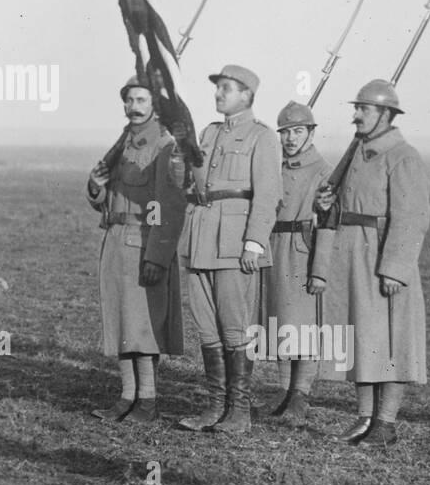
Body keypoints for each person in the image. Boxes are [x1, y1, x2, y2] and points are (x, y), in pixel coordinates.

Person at [311, 80, 430, 447]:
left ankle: (386, 423)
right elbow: (344, 206)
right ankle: (364, 418)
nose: (356, 115)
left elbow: (412, 217)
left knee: (392, 340)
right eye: (357, 108)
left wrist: (394, 269)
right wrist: (326, 204)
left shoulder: (403, 156)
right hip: (352, 256)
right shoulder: (358, 152)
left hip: (382, 258)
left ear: (386, 114)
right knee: (361, 337)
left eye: (364, 109)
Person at [177, 64, 281, 435]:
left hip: (236, 244)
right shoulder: (207, 133)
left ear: (246, 96)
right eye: (218, 87)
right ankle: (214, 407)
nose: (218, 93)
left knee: (235, 328)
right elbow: (192, 186)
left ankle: (239, 412)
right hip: (201, 238)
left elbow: (268, 195)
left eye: (226, 88)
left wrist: (254, 243)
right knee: (207, 328)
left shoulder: (262, 137)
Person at [85, 76, 186, 422]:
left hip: (142, 244)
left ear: (155, 106)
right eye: (129, 100)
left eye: (142, 100)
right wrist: (95, 187)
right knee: (122, 325)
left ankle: (148, 401)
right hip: (115, 241)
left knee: (143, 328)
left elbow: (167, 207)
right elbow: (108, 200)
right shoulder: (126, 145)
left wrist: (156, 255)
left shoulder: (165, 146)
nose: (134, 107)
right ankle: (127, 396)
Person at [265, 101, 335, 423]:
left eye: (298, 131)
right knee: (279, 320)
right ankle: (282, 389)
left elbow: (329, 224)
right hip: (273, 247)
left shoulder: (323, 172)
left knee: (303, 325)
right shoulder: (273, 168)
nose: (291, 138)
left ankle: (300, 394)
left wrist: (319, 270)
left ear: (310, 133)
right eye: (286, 132)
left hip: (302, 250)